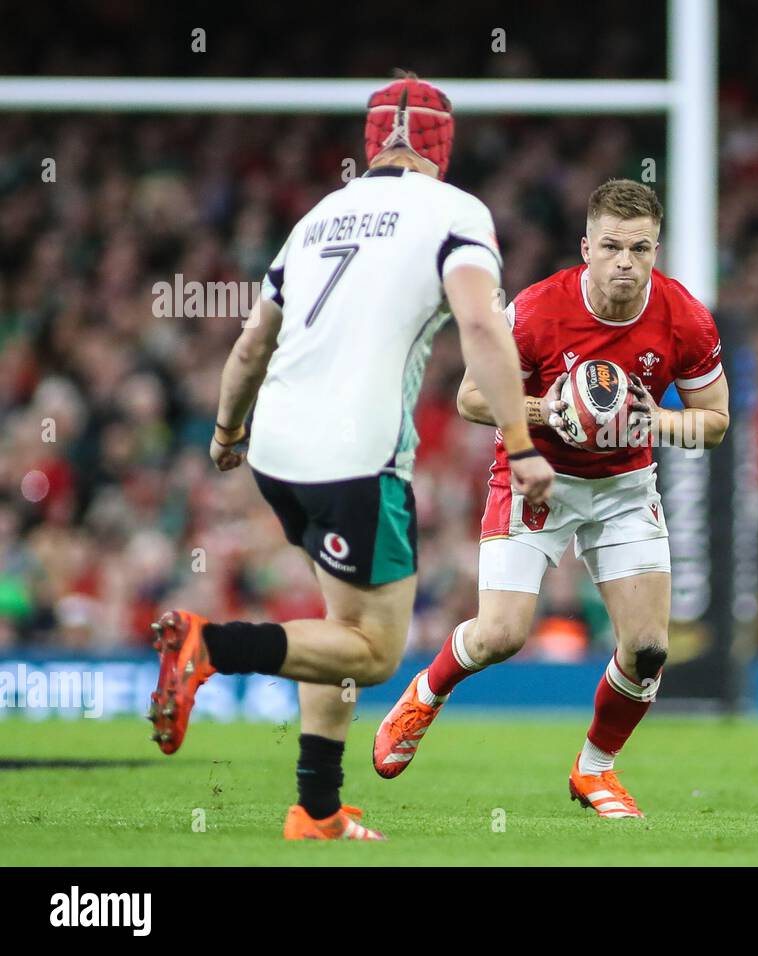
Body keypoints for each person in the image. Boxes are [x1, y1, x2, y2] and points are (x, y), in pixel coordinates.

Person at [146, 73, 553, 840]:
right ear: (443, 142)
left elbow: (250, 344)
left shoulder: (316, 218)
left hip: (276, 448)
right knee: (372, 652)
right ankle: (210, 647)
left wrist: (228, 432)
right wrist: (522, 443)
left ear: (371, 143)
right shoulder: (456, 212)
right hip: (358, 454)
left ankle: (318, 809)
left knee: (339, 623)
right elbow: (481, 327)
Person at [372, 179, 730, 819]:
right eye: (613, 246)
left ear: (656, 250)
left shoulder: (685, 317)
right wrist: (549, 410)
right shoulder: (538, 311)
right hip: (539, 479)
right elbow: (470, 399)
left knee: (648, 649)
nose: (626, 261)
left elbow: (716, 420)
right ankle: (426, 692)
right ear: (586, 246)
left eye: (641, 248)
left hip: (623, 488)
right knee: (500, 637)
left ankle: (595, 771)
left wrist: (658, 423)